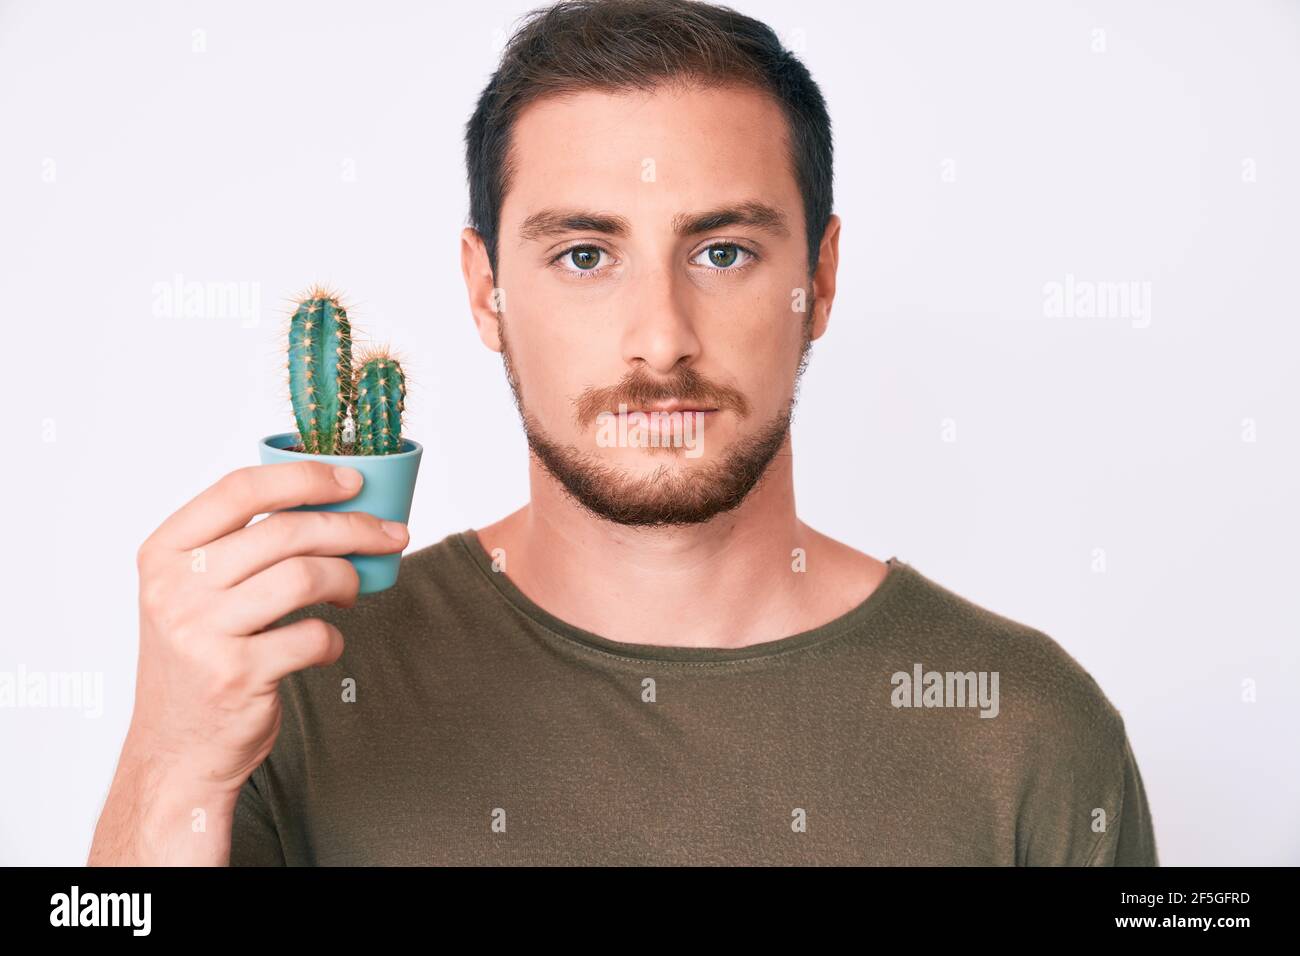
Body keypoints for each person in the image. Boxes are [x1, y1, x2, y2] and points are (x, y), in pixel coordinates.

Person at [88, 0, 1157, 866]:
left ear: (818, 278)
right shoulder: (295, 689)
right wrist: (171, 766)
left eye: (724, 251)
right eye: (586, 255)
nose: (660, 339)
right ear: (486, 289)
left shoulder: (1026, 728)